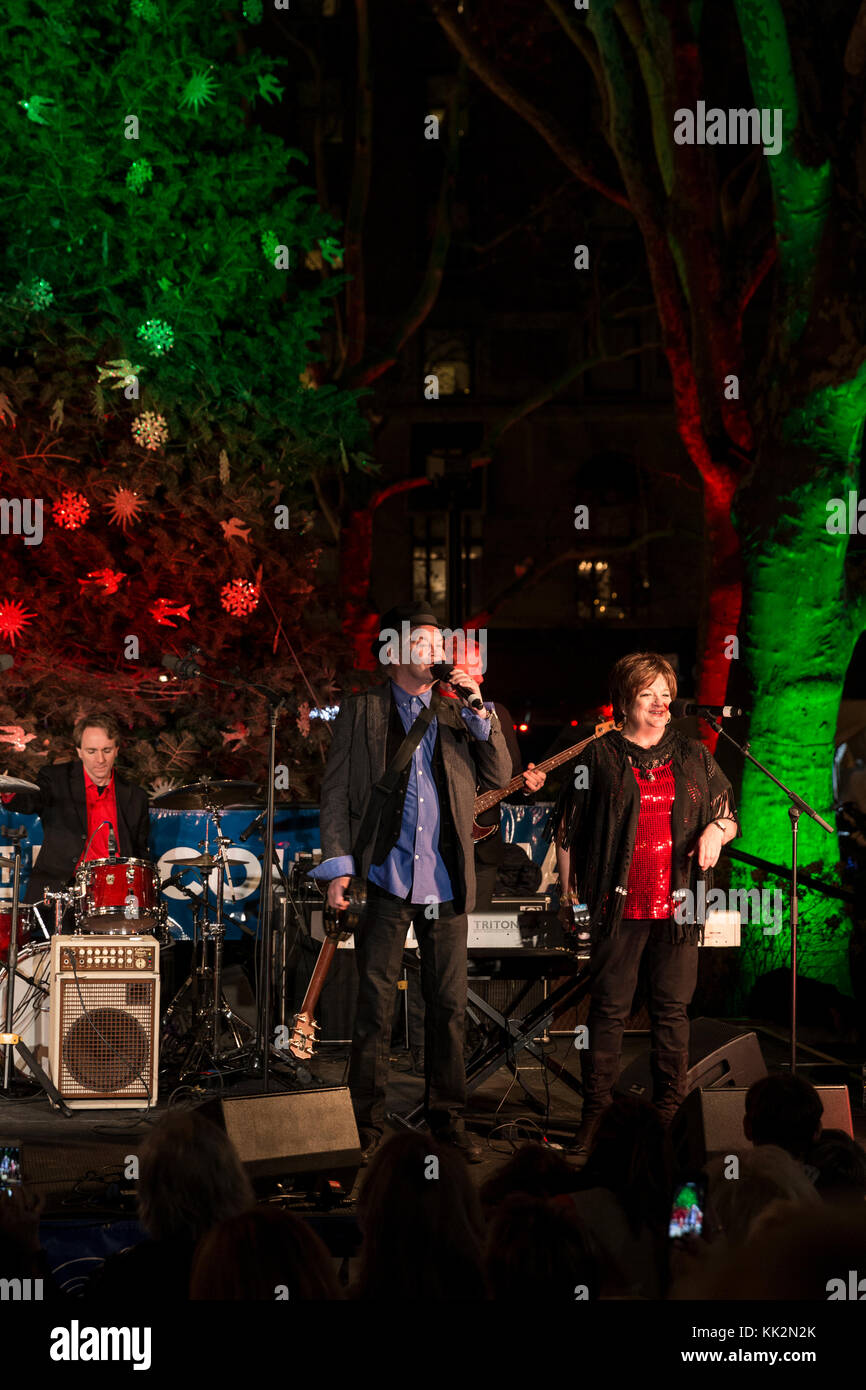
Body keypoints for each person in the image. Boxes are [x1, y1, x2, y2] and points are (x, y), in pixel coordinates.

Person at [309, 602, 542, 1164]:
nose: (434, 651)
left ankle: (448, 1119)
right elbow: (336, 793)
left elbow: (499, 778)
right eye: (421, 642)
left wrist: (482, 711)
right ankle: (364, 1125)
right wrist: (339, 868)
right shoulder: (363, 711)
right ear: (393, 651)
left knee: (447, 1006)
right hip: (385, 877)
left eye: (439, 643)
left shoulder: (459, 710)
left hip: (445, 879)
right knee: (375, 1005)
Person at [551, 652, 738, 1155]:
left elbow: (728, 814)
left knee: (672, 1011)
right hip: (618, 901)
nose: (660, 703)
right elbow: (567, 830)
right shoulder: (600, 756)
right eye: (647, 693)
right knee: (608, 1011)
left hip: (679, 903)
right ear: (625, 699)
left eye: (666, 693)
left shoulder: (693, 754)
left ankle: (668, 1118)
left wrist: (718, 832)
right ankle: (596, 1117)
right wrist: (570, 896)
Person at [1, 712, 151, 932]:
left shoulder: (134, 796)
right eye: (91, 751)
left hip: (113, 897)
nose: (100, 760)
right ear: (79, 751)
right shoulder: (56, 779)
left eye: (106, 750)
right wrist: (8, 791)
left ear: (117, 750)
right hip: (60, 892)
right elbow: (30, 799)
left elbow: (139, 852)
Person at [85, 1108, 255, 1300]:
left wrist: (41, 1273)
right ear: (236, 1181)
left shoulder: (127, 1274)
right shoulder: (261, 1264)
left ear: (147, 1193)